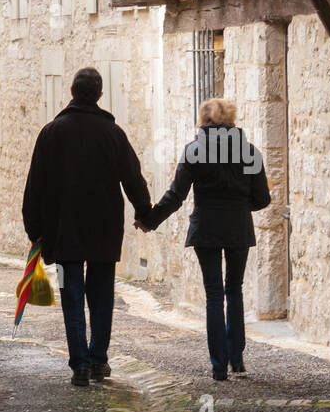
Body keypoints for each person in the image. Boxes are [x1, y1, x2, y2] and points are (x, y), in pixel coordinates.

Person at [22, 67, 152, 387]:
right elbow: (133, 178)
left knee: (71, 295)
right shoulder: (113, 133)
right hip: (104, 232)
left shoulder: (51, 133)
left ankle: (79, 362)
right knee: (101, 294)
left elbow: (35, 186)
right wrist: (144, 213)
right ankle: (97, 359)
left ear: (71, 90)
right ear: (100, 95)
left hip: (63, 233)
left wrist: (34, 228)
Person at [138, 99, 271, 382]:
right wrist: (238, 203)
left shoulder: (194, 151)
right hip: (238, 228)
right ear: (232, 119)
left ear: (203, 120)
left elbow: (176, 196)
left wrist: (150, 220)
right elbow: (262, 199)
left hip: (206, 228)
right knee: (234, 289)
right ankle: (237, 359)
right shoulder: (249, 152)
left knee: (213, 294)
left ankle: (218, 366)